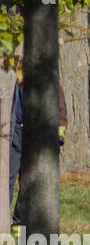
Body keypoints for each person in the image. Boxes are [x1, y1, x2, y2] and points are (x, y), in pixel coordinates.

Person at [8, 56, 67, 224]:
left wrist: (59, 134)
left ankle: (20, 221)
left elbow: (59, 110)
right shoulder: (11, 80)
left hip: (35, 136)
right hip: (13, 135)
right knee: (7, 179)